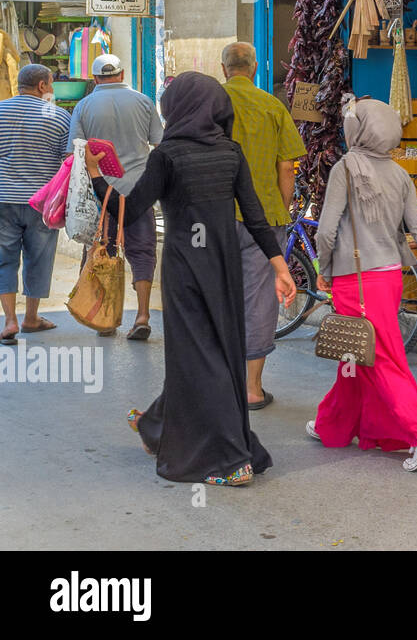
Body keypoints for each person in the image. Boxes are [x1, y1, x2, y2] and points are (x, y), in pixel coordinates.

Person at [86, 72, 294, 487]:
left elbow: (131, 209)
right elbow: (254, 215)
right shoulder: (230, 152)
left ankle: (230, 459)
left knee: (198, 355)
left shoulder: (168, 156)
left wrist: (96, 176)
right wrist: (279, 264)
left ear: (174, 108)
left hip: (185, 269)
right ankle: (157, 426)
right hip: (223, 268)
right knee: (215, 350)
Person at [309, 98, 417, 472]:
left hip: (356, 281)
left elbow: (327, 231)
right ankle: (332, 424)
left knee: (379, 357)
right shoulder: (400, 174)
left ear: (358, 130)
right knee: (355, 354)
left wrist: (324, 270)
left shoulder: (344, 170)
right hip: (391, 277)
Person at [221, 41, 306, 411]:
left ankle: (218, 383)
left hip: (216, 217)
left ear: (224, 69)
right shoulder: (273, 106)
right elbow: (287, 167)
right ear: (254, 68)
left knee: (217, 294)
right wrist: (280, 210)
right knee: (258, 299)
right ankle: (252, 388)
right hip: (264, 220)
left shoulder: (211, 103)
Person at [69, 53, 164, 340]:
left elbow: (74, 151)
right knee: (143, 251)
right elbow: (159, 144)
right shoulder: (144, 101)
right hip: (138, 191)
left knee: (101, 251)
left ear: (95, 79)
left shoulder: (84, 106)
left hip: (101, 193)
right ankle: (143, 315)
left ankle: (105, 318)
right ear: (122, 75)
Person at [0, 64, 71, 344]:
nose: (51, 89)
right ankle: (31, 318)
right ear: (42, 86)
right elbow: (67, 161)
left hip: (3, 197)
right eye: (51, 84)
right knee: (38, 259)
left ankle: (9, 321)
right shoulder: (59, 116)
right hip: (43, 203)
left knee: (4, 260)